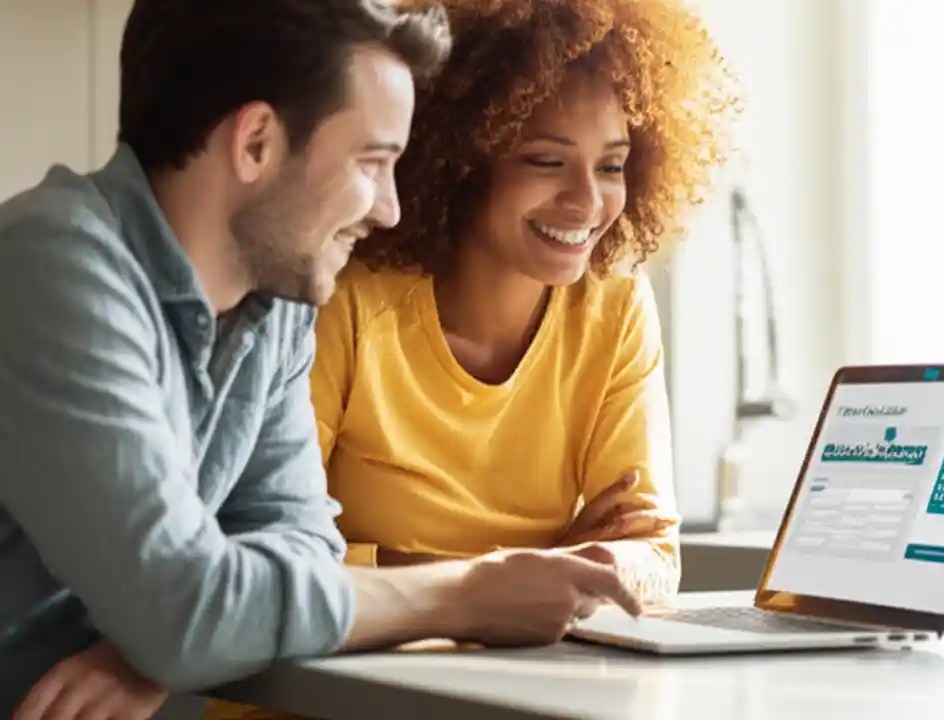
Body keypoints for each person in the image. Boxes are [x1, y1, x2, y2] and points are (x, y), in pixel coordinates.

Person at [0, 1, 642, 718]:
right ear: (256, 143)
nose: (391, 209)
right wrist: (466, 594)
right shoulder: (53, 267)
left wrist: (184, 630)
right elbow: (186, 613)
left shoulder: (275, 304)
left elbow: (301, 548)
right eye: (373, 162)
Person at [309, 0, 737, 599]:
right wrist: (514, 576)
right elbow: (281, 558)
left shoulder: (614, 309)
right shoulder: (347, 303)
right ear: (461, 161)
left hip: (520, 680)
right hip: (326, 688)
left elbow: (654, 556)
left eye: (612, 166)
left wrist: (525, 576)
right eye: (545, 161)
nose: (587, 202)